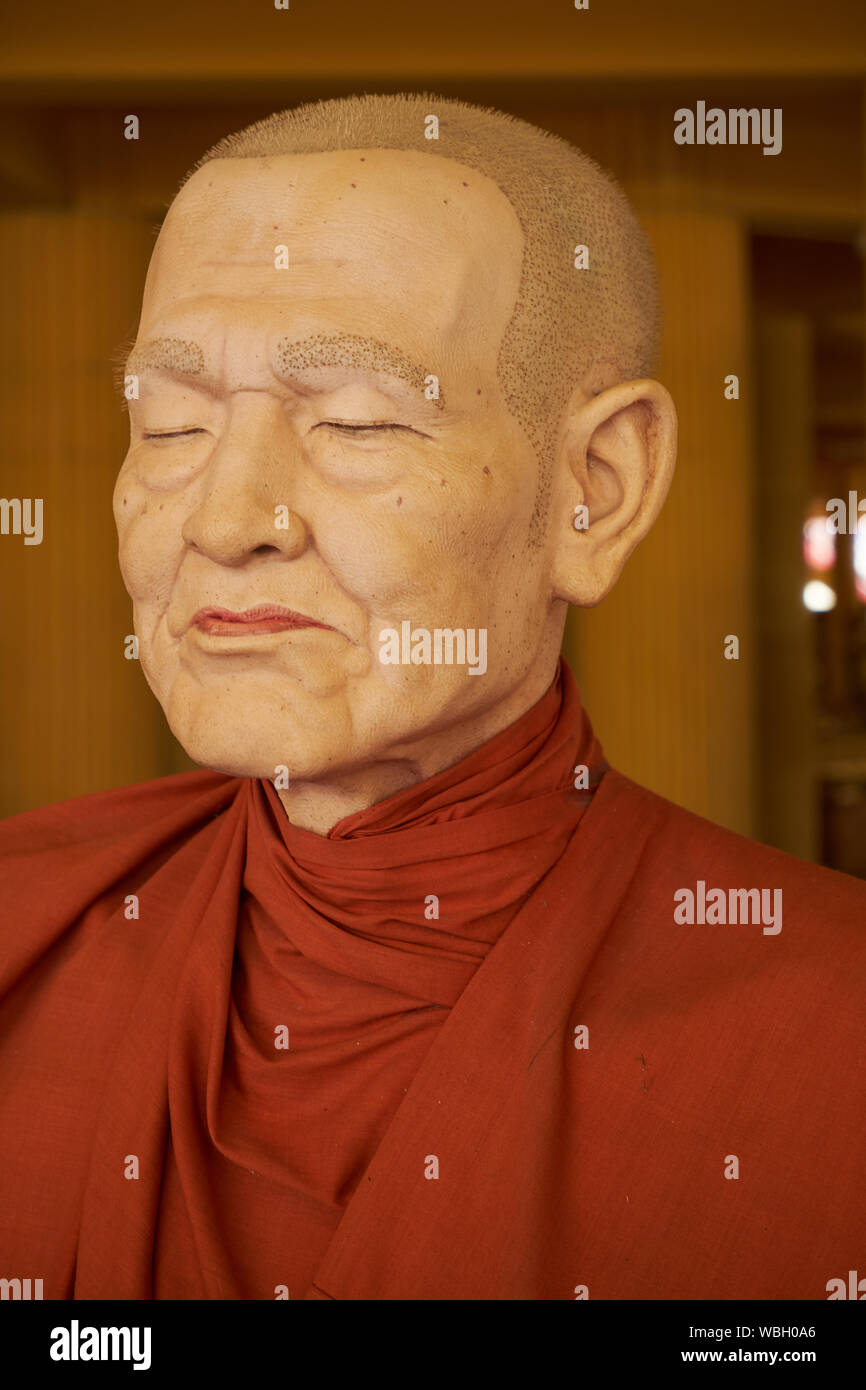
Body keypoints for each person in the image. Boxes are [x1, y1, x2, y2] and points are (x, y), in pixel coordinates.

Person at [1, 92, 864, 1302]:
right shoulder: (27, 917)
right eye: (170, 422)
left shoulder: (827, 1032)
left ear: (595, 491)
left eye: (355, 420)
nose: (224, 519)